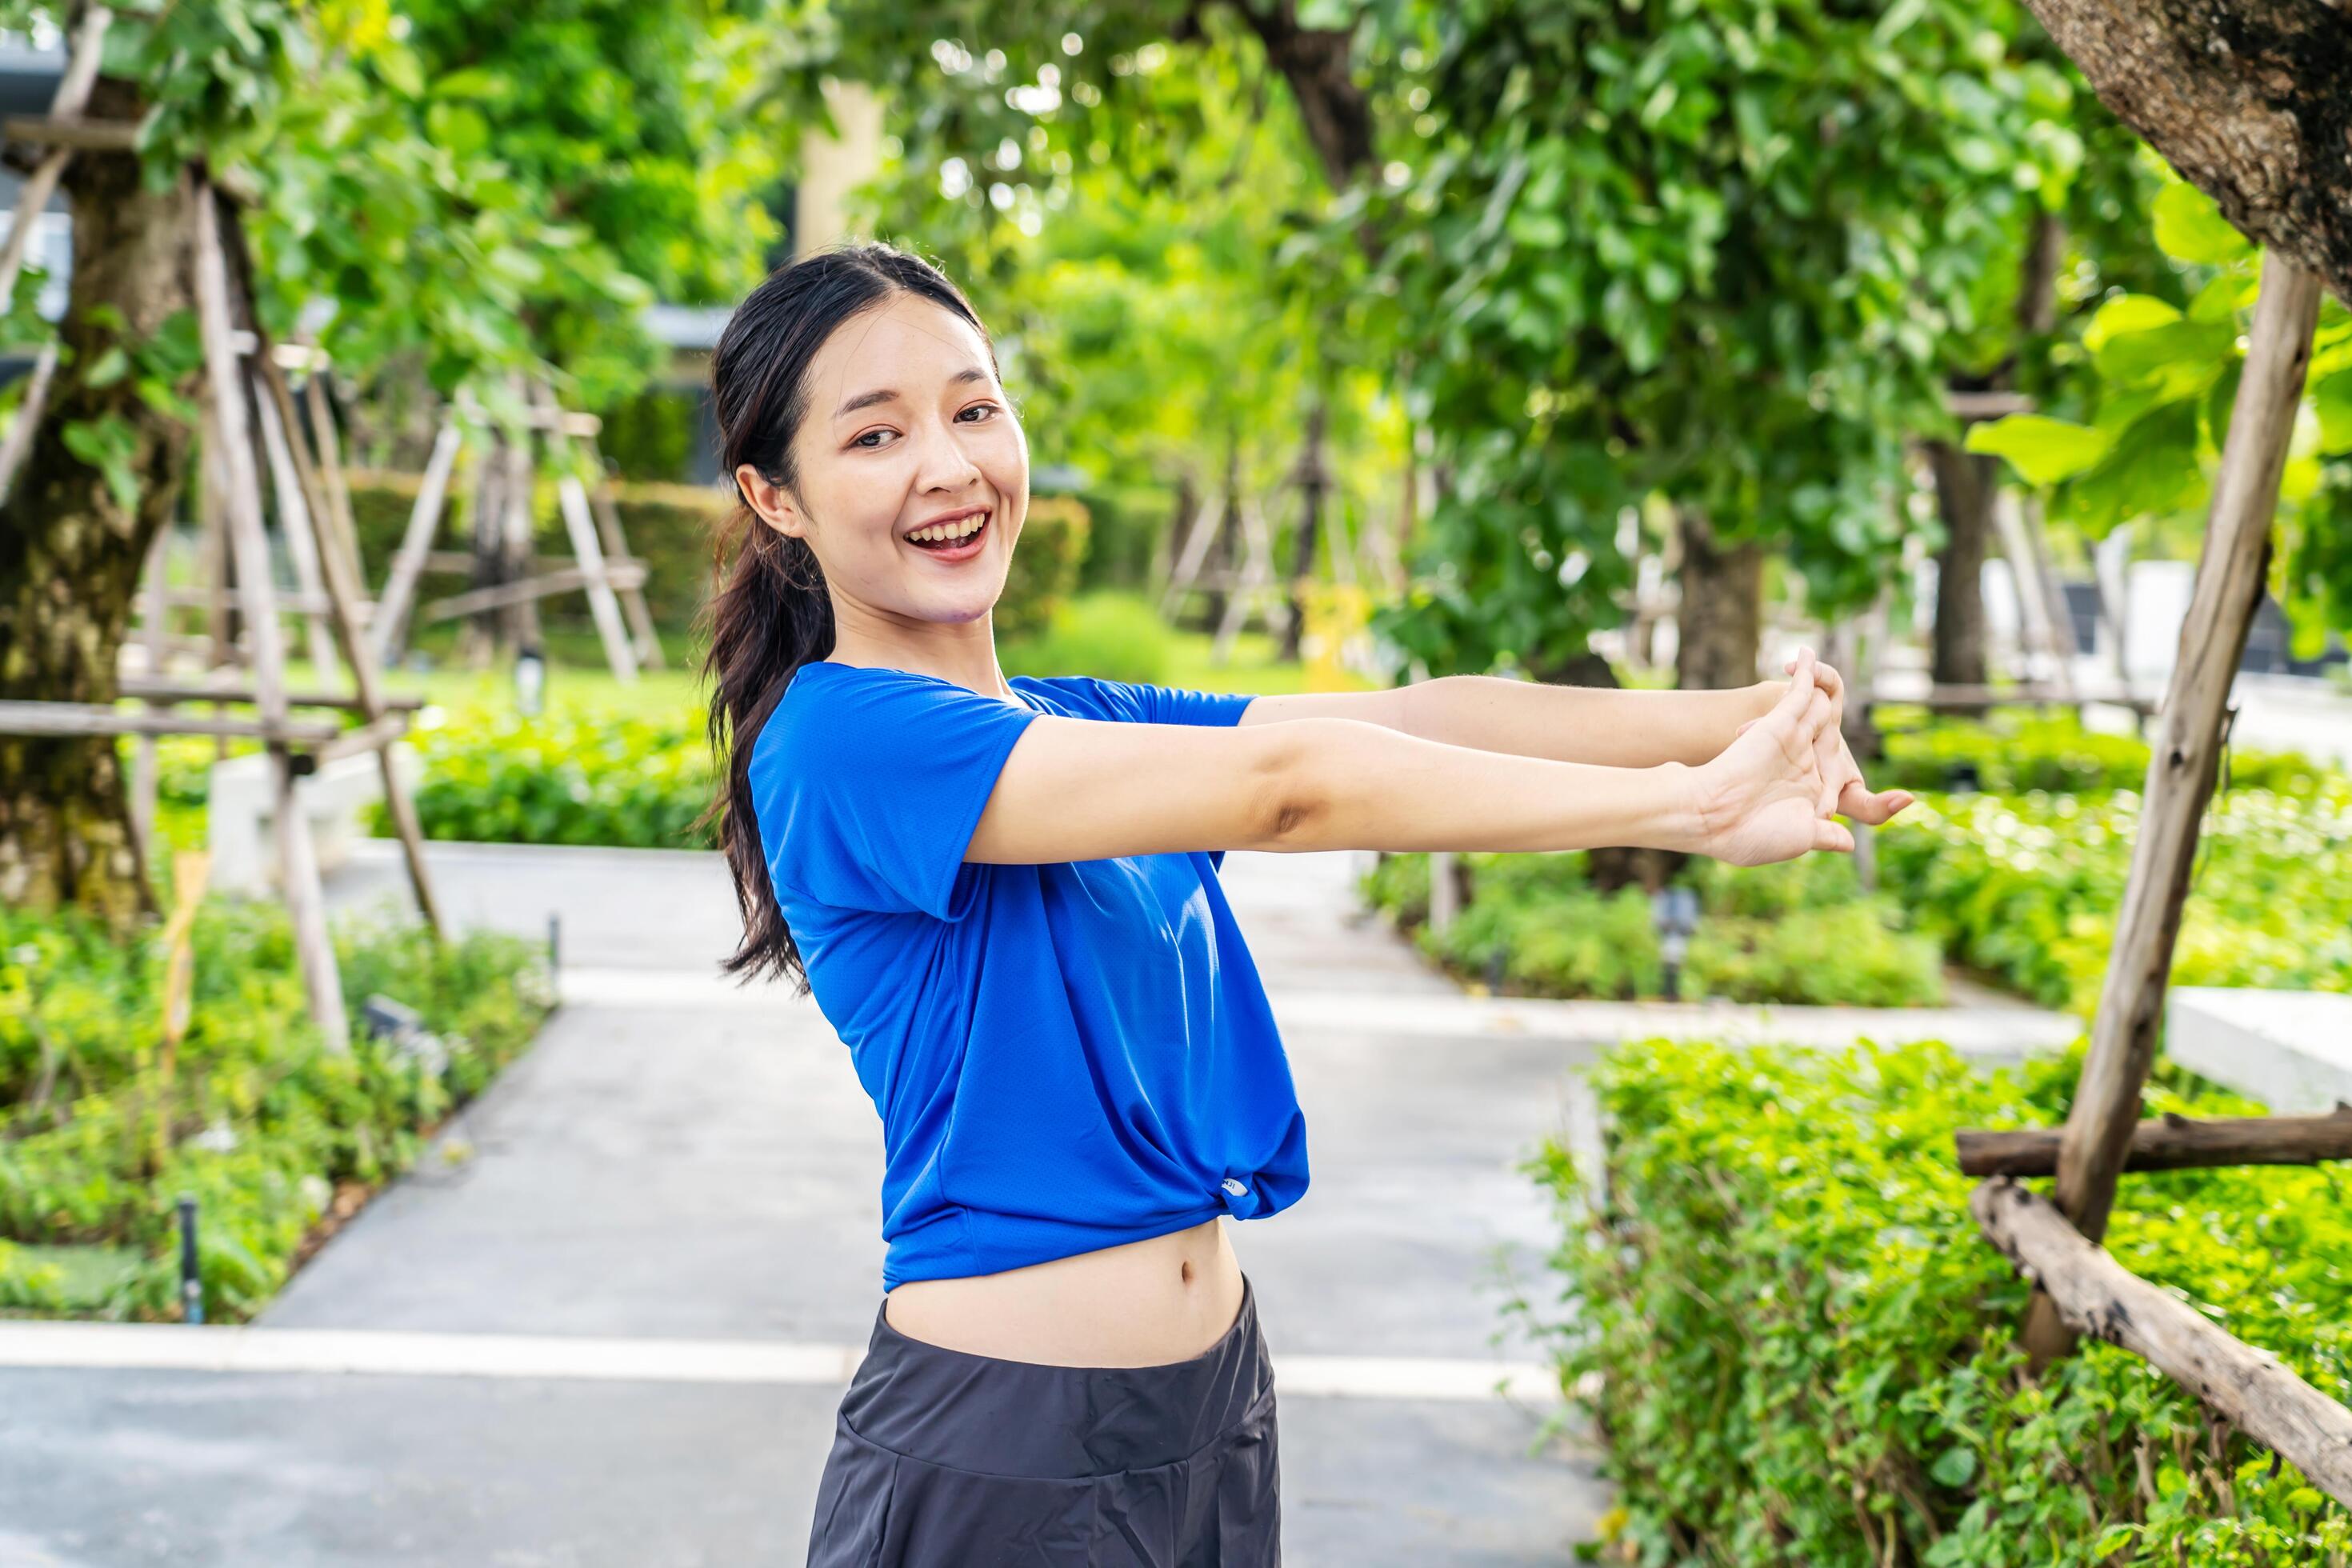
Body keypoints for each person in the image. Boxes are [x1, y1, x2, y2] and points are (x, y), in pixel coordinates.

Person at [698, 242, 1914, 1567]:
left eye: (974, 407)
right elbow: (1293, 790)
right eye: (876, 434)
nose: (948, 463)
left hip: (1214, 1411)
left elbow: (1426, 714)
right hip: (1006, 1453)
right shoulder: (842, 738)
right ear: (778, 498)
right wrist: (1684, 809)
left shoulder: (1078, 722)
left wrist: (1757, 717)